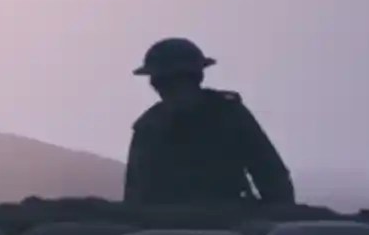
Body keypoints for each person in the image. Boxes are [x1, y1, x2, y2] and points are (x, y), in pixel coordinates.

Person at [124, 38, 296, 206]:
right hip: (165, 226)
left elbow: (272, 176)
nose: (168, 89)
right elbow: (135, 194)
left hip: (228, 220)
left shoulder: (229, 114)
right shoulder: (148, 127)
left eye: (176, 81)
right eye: (163, 82)